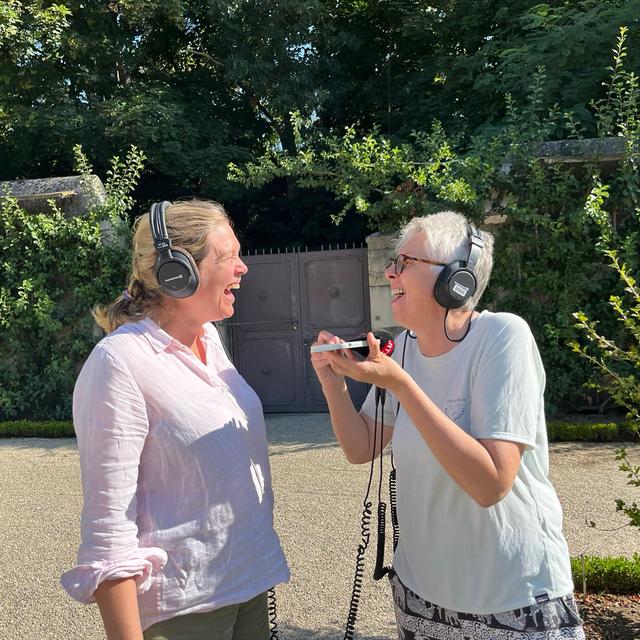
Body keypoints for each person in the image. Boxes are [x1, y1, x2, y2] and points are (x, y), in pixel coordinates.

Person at [311, 210, 584, 640]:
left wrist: (402, 386)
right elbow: (361, 448)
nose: (389, 271)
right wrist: (333, 383)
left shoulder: (502, 337)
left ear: (456, 281)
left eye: (404, 262)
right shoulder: (402, 349)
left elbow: (491, 482)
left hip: (512, 597)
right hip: (420, 596)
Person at [61, 200, 289, 640]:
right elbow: (109, 529)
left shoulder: (208, 340)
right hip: (185, 611)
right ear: (176, 272)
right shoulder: (120, 362)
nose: (243, 268)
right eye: (228, 257)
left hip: (249, 585)